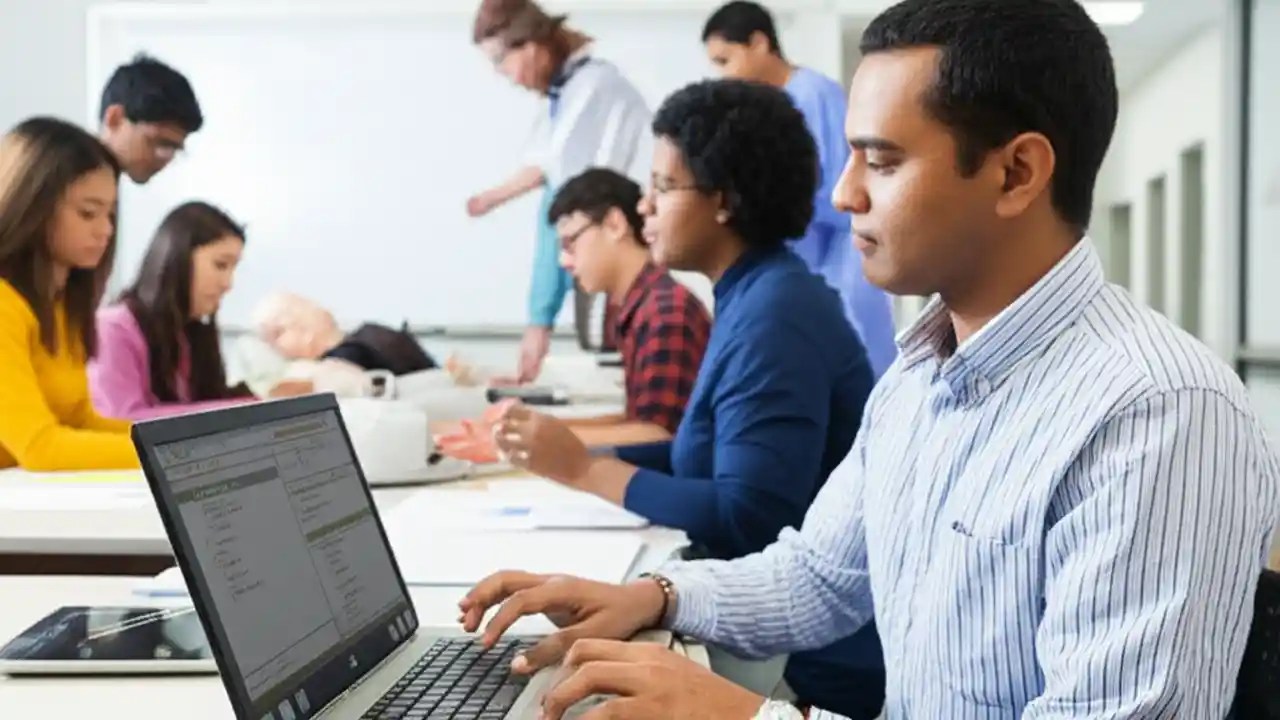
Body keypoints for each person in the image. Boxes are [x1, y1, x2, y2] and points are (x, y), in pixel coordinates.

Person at [459, 1, 1280, 718]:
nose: (843, 195)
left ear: (1016, 172)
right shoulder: (919, 376)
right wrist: (653, 594)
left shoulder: (1158, 415)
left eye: (881, 162)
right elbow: (819, 576)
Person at [489, 79, 883, 717]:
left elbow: (748, 514)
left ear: (723, 201)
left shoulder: (775, 312)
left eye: (663, 187)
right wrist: (581, 457)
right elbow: (705, 455)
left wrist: (587, 468)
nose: (644, 206)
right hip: (771, 642)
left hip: (811, 671)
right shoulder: (751, 296)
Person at [438, 168, 711, 459]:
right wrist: (528, 428)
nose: (563, 261)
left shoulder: (665, 312)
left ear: (615, 224)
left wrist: (517, 442)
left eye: (571, 243)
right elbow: (637, 422)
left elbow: (657, 435)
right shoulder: (644, 305)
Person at [702, 1, 897, 378]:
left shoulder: (814, 94)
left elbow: (824, 192)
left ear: (759, 43)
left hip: (841, 258)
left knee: (857, 368)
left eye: (725, 60)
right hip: (808, 259)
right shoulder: (771, 106)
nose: (723, 76)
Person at [468, 0, 653, 384]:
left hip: (628, 258)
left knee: (622, 367)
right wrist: (492, 198)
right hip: (620, 254)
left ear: (530, 45)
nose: (503, 75)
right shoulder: (570, 90)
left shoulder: (592, 88)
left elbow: (563, 191)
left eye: (500, 61)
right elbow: (549, 168)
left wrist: (540, 320)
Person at [0, 117, 138, 471]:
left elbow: (78, 422)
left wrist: (176, 441)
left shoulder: (63, 304)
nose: (106, 230)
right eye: (88, 212)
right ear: (32, 206)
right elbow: (41, 447)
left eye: (110, 214)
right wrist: (171, 457)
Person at [89, 202, 257, 421]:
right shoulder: (113, 328)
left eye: (233, 269)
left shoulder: (192, 333)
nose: (228, 284)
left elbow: (207, 402)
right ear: (178, 258)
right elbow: (122, 418)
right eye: (220, 265)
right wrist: (238, 410)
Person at [97, 54, 203, 185]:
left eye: (174, 149)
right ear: (115, 118)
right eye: (159, 143)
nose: (165, 158)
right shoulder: (68, 182)